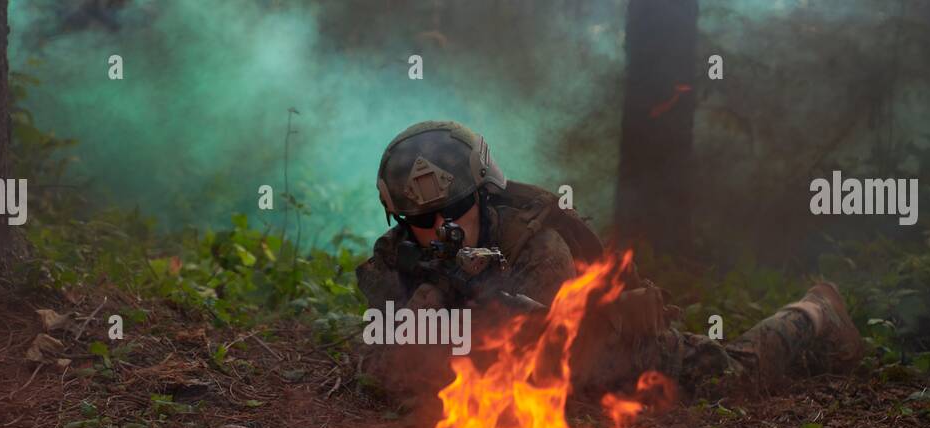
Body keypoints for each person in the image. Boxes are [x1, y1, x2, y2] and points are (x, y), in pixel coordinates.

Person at [355, 120, 864, 399]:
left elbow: (526, 367)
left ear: (483, 196)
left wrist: (459, 312)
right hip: (558, 368)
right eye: (423, 220)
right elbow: (379, 369)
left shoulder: (539, 248)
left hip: (613, 346)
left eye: (455, 210)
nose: (440, 228)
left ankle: (815, 312)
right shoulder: (396, 258)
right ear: (399, 220)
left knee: (736, 374)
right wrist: (430, 297)